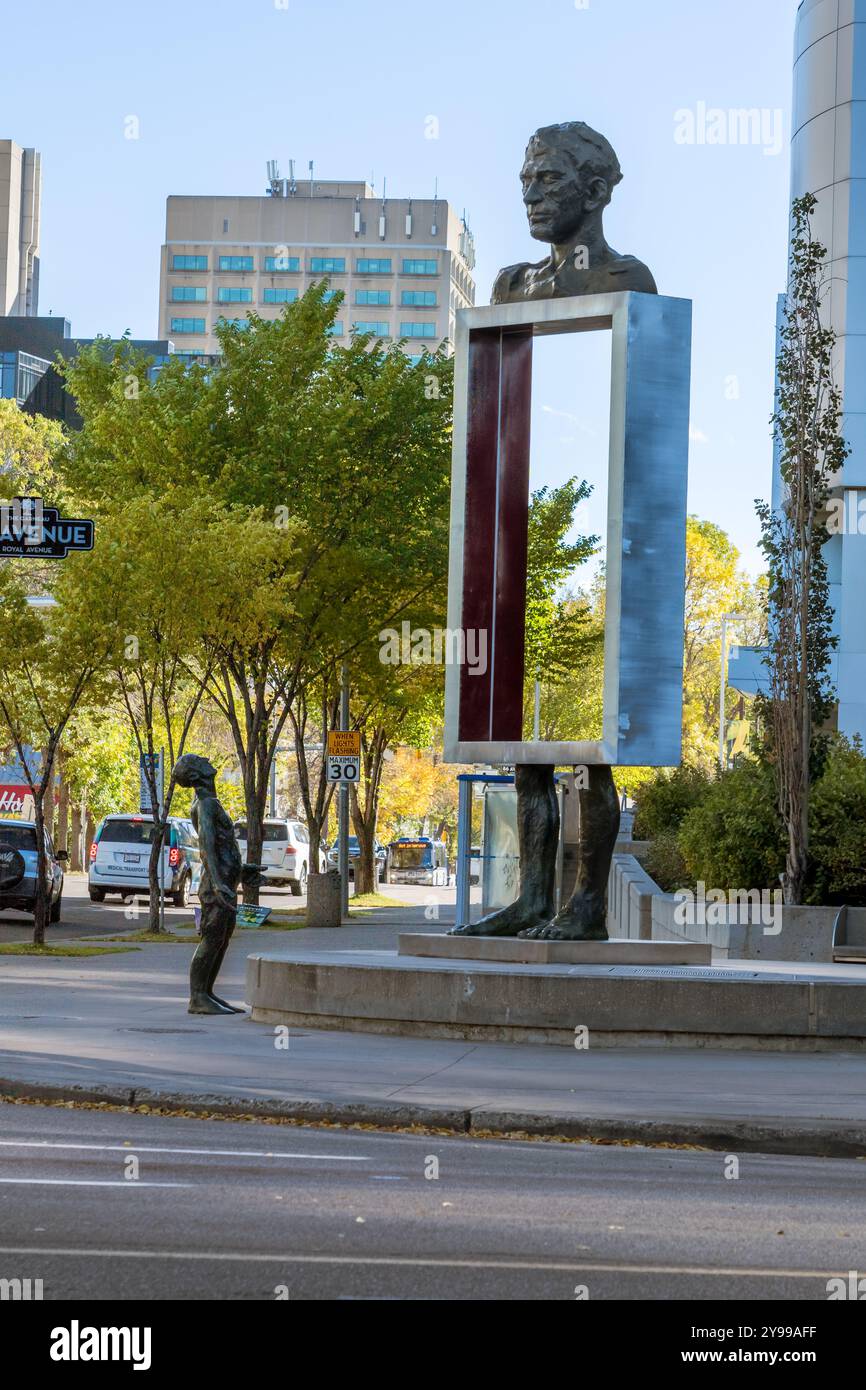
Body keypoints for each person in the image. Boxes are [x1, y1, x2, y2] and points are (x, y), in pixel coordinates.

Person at [453, 122, 656, 942]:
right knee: (525, 758)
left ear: (598, 189)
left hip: (609, 561)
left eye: (550, 178)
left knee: (594, 753)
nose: (531, 191)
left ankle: (585, 910)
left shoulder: (625, 277)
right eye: (525, 177)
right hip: (515, 558)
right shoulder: (508, 284)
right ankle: (534, 899)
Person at [172, 752, 256, 1014]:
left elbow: (221, 847)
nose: (208, 760)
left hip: (225, 882)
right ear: (197, 774)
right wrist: (219, 884)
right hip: (216, 887)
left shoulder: (209, 801)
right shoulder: (206, 804)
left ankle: (207, 993)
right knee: (212, 939)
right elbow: (207, 847)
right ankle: (197, 997)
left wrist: (242, 870)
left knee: (222, 939)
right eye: (200, 760)